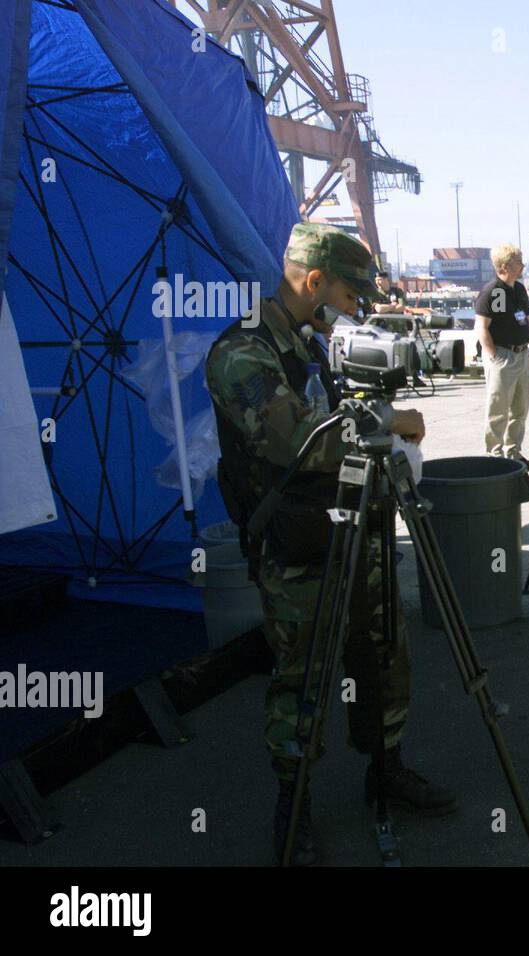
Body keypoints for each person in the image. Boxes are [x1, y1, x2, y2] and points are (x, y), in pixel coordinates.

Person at [205, 223, 455, 866]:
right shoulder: (242, 353)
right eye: (347, 293)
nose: (355, 306)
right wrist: (388, 421)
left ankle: (386, 766)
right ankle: (295, 804)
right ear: (313, 282)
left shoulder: (315, 341)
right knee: (304, 676)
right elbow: (295, 438)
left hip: (358, 523)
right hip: (300, 548)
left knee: (381, 654)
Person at [475, 243, 529, 467]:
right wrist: (494, 356)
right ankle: (494, 455)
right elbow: (482, 327)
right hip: (503, 355)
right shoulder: (495, 291)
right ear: (504, 267)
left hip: (522, 354)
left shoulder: (519, 290)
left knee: (520, 408)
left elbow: (528, 322)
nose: (522, 265)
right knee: (498, 408)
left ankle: (513, 452)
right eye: (517, 262)